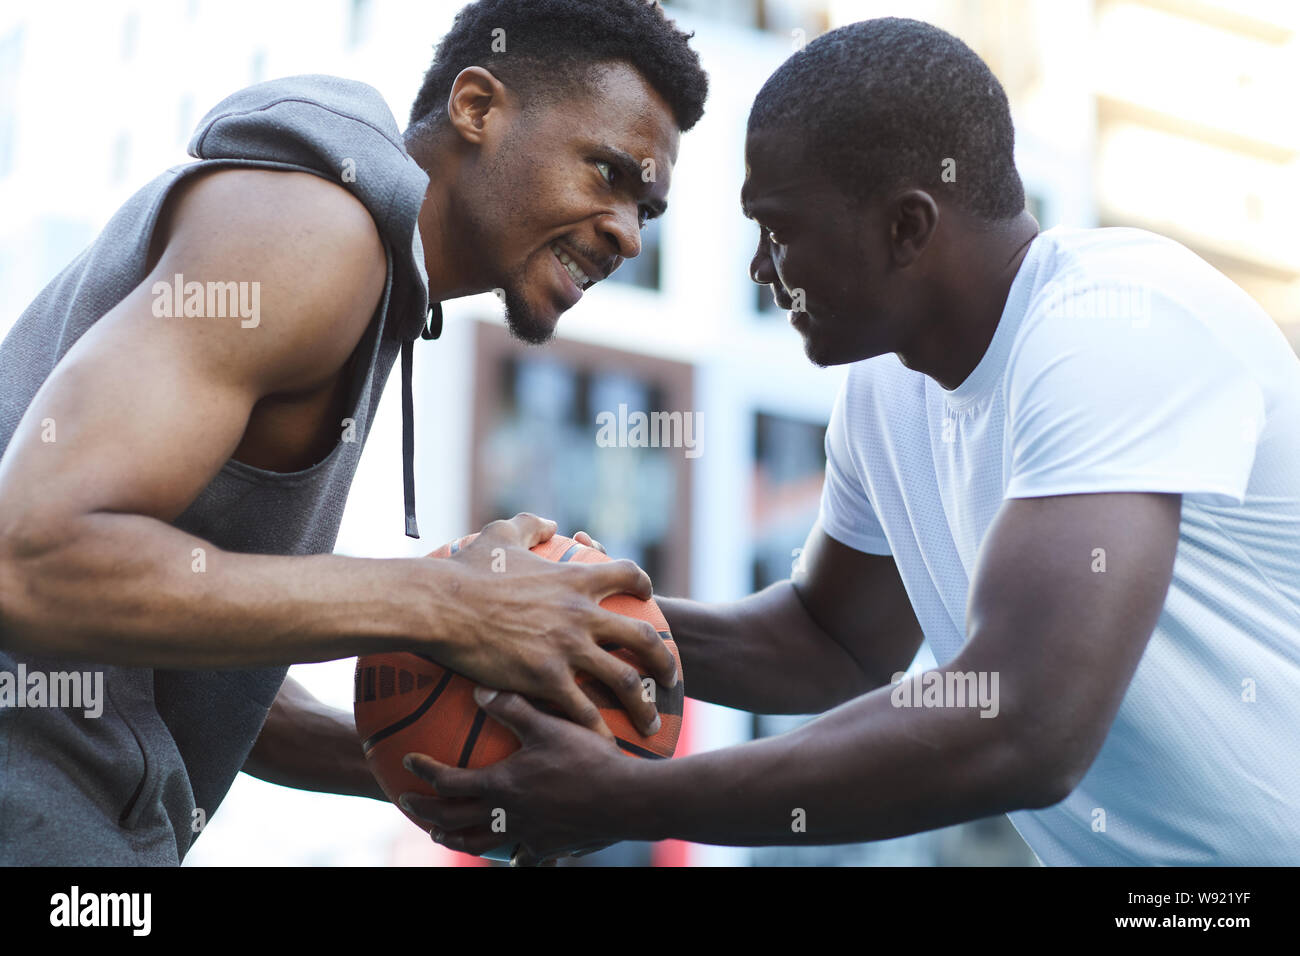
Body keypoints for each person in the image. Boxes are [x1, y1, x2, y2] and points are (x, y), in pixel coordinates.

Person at [402, 17, 1300, 866]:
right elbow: (829, 643)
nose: (760, 268)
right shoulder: (888, 383)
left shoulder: (1114, 324)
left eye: (780, 230)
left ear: (907, 227)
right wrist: (560, 618)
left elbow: (1025, 724)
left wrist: (634, 798)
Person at [0, 0, 706, 865]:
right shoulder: (313, 236)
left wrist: (455, 767)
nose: (629, 236)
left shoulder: (364, 274)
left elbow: (161, 668)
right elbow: (31, 562)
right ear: (477, 107)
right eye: (605, 173)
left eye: (649, 210)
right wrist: (450, 604)